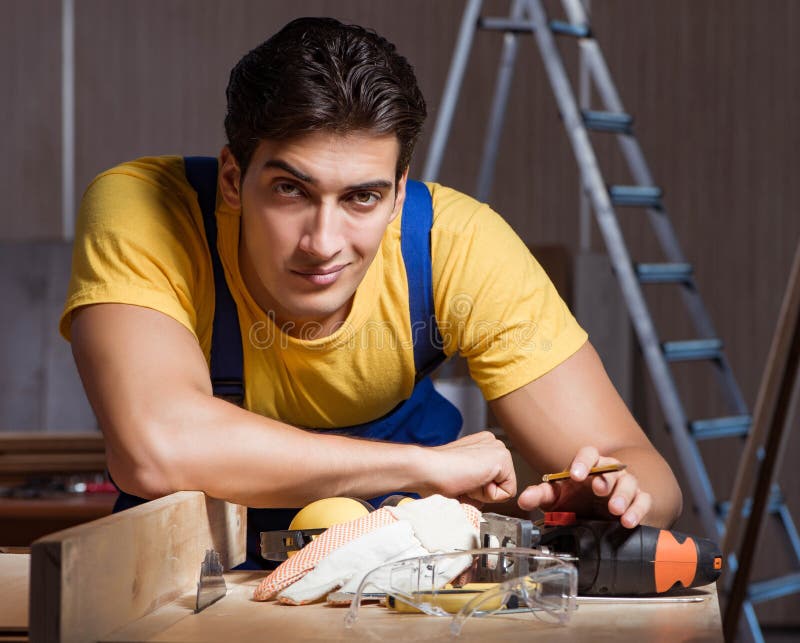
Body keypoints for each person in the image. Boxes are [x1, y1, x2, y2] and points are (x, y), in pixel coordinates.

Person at [60, 17, 681, 567]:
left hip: (412, 591)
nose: (323, 242)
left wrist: (611, 500)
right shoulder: (147, 208)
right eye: (290, 191)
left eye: (361, 197)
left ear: (397, 194)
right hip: (191, 591)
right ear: (232, 178)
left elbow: (647, 472)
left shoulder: (456, 245)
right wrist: (421, 467)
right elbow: (155, 448)